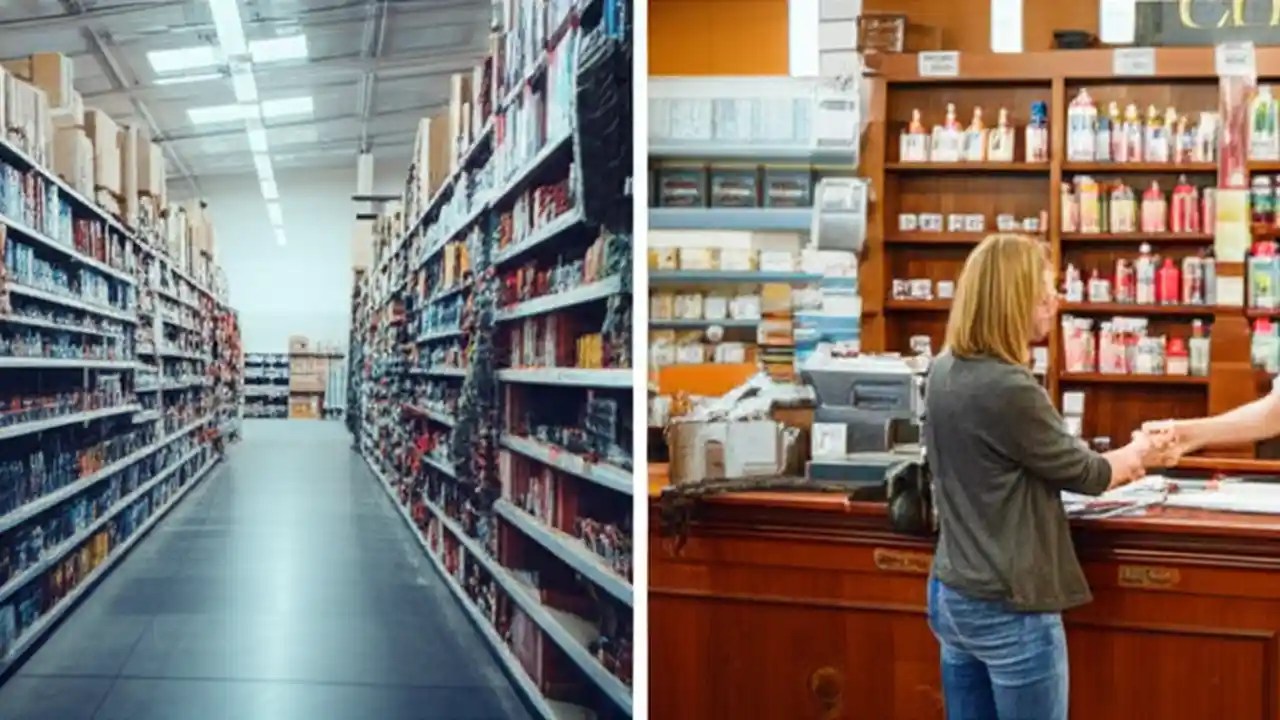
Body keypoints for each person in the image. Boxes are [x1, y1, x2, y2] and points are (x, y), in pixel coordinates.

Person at [923, 233, 1172, 720]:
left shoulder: (944, 368)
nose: (1054, 303)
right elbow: (1091, 473)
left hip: (954, 590)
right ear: (1013, 301)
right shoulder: (1008, 385)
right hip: (1010, 601)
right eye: (1043, 293)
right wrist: (1143, 449)